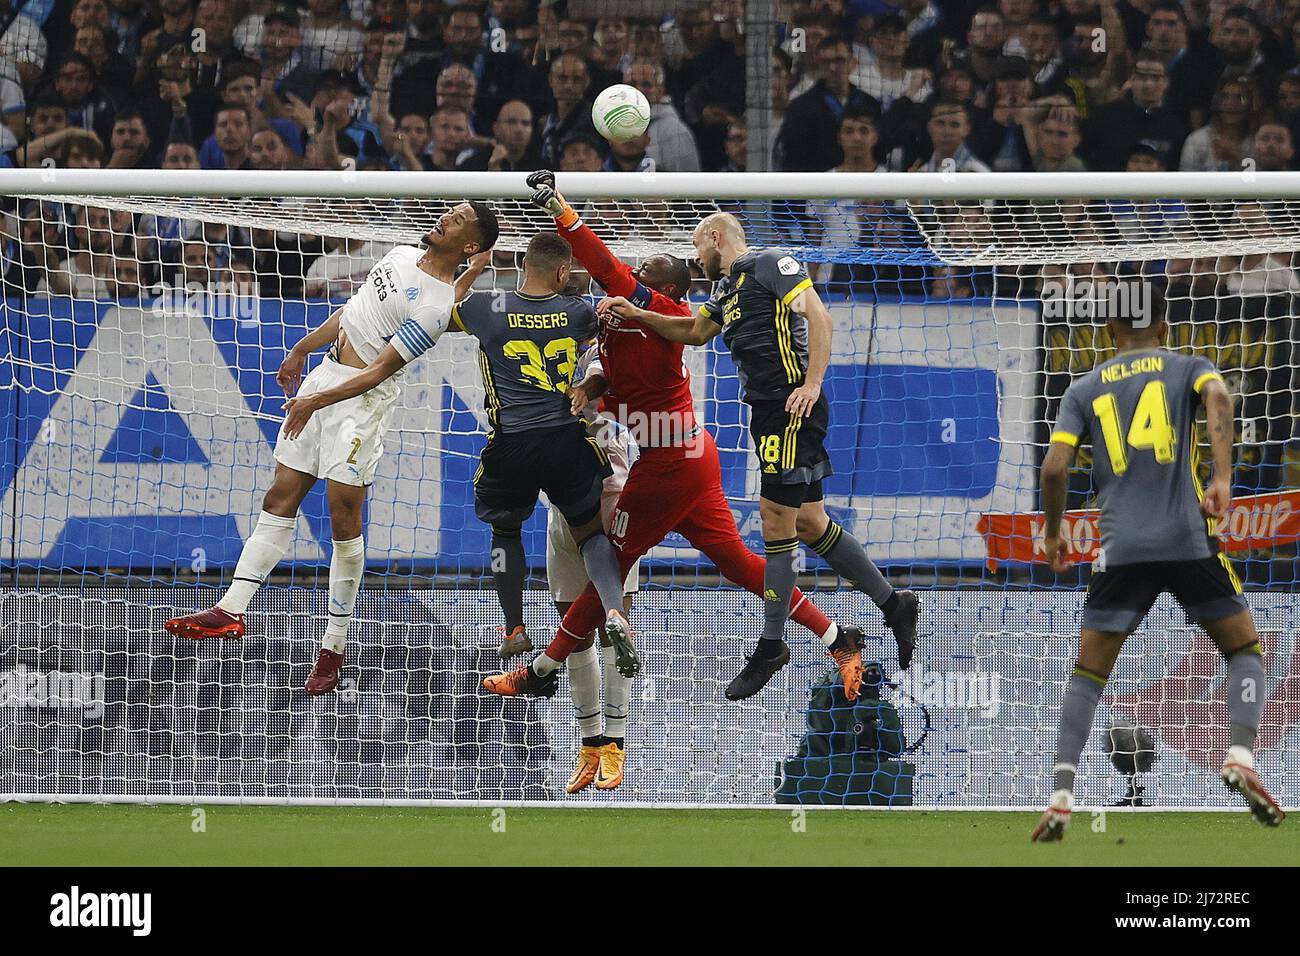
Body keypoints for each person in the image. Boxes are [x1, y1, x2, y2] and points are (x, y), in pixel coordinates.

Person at [526, 193, 919, 703]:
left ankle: (545, 664)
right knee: (790, 533)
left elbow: (816, 314)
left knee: (618, 556)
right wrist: (596, 382)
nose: (634, 273)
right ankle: (855, 627)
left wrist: (562, 212)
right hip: (702, 448)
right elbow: (686, 336)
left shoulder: (750, 268)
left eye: (647, 270)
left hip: (712, 442)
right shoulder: (708, 300)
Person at [163, 202, 500, 697]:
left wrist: (314, 401)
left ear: (469, 244)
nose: (446, 216)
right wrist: (302, 347)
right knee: (280, 496)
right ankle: (231, 610)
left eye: (459, 219)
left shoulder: (432, 306)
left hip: (361, 406)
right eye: (451, 209)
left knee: (343, 518)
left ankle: (333, 648)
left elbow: (379, 371)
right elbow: (352, 313)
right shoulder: (400, 254)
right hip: (325, 376)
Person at [1034, 278, 1285, 840]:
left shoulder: (1083, 387)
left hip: (1120, 547)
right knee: (1245, 650)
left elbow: (1053, 469)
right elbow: (1219, 397)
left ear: (1108, 331)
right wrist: (1221, 479)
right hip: (1186, 538)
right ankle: (1240, 754)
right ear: (1164, 328)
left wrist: (1053, 534)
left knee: (1089, 674)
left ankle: (1060, 790)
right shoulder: (1187, 365)